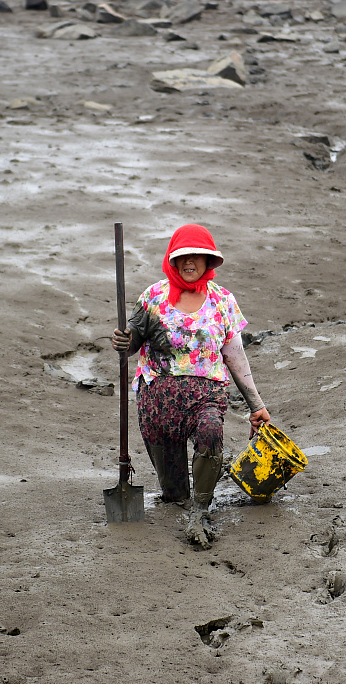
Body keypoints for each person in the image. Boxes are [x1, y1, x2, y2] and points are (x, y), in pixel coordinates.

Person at [111, 224, 271, 548]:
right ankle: (185, 495)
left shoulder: (222, 301)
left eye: (197, 256)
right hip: (158, 406)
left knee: (210, 432)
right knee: (174, 495)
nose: (189, 262)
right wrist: (123, 342)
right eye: (182, 256)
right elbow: (131, 343)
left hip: (206, 399)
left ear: (209, 261)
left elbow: (235, 357)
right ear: (172, 259)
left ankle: (201, 512)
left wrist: (257, 406)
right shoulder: (153, 297)